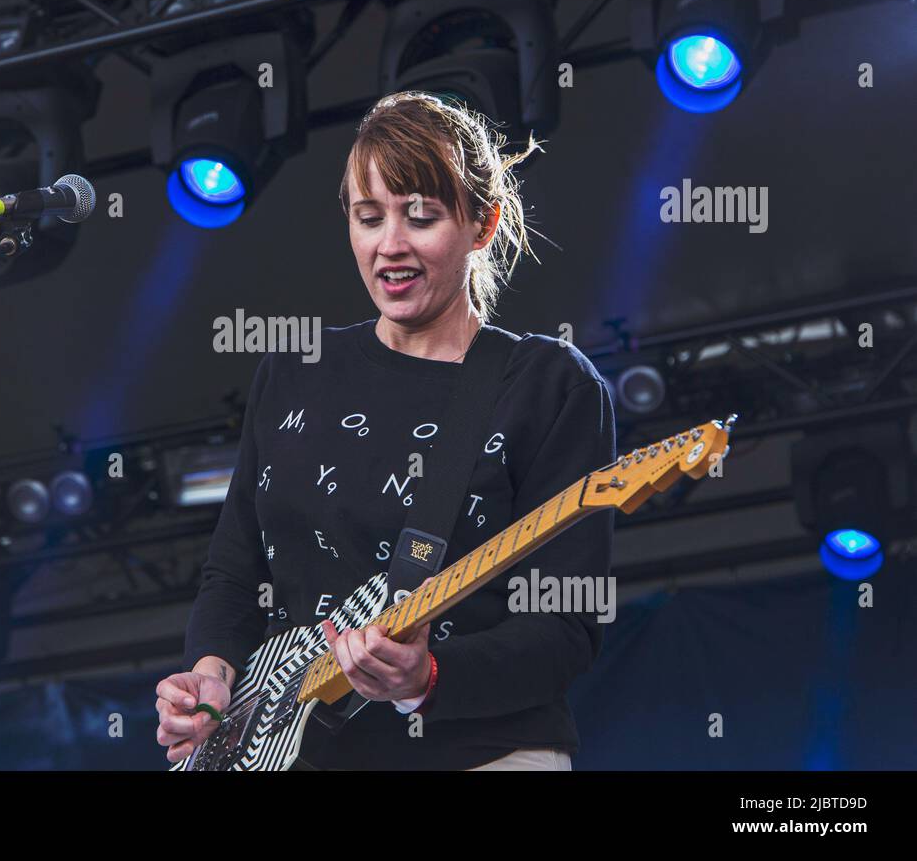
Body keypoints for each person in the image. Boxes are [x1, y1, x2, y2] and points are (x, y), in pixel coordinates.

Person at [155, 91, 615, 770]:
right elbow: (234, 570)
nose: (390, 245)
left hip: (479, 755)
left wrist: (425, 678)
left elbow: (565, 625)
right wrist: (213, 677)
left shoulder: (547, 385)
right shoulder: (293, 372)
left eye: (421, 217)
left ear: (482, 225)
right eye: (369, 218)